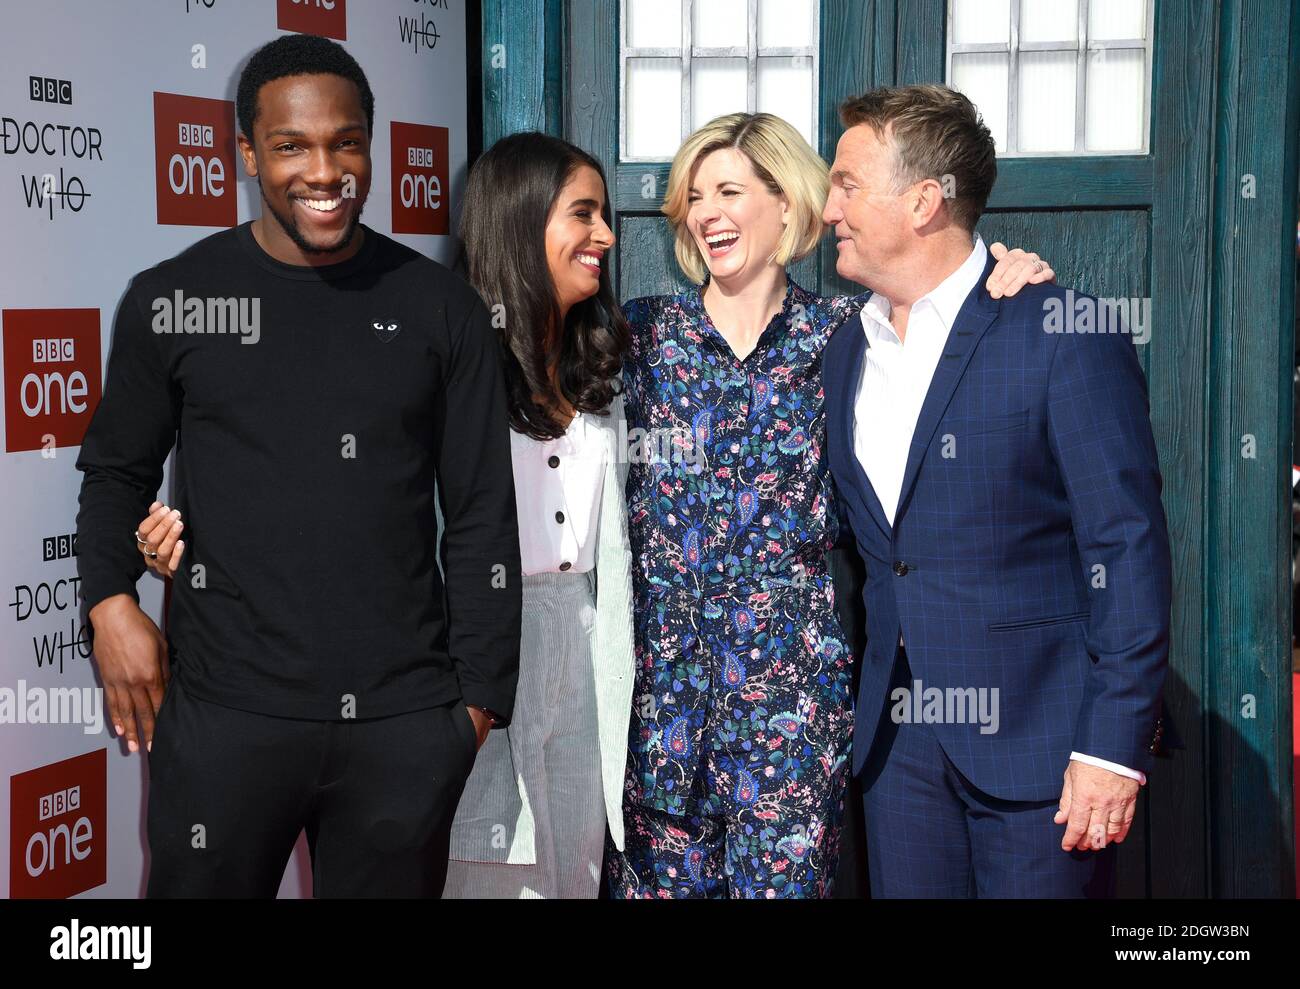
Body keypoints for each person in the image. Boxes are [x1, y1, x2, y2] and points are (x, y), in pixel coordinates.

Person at [136, 132, 639, 900]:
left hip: (578, 682)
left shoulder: (604, 372)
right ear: (521, 219)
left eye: (604, 213)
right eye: (584, 213)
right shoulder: (432, 352)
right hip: (449, 682)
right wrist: (464, 719)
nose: (606, 233)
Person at [77, 34, 521, 898]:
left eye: (346, 142)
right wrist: (109, 601)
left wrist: (472, 711)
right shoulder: (173, 300)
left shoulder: (443, 310)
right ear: (246, 152)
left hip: (403, 727)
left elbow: (478, 514)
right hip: (222, 720)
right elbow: (115, 472)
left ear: (370, 143)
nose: (325, 171)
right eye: (291, 146)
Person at [606, 111, 1053, 898]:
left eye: (730, 191)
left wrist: (1011, 275)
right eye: (694, 195)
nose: (707, 212)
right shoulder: (640, 335)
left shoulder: (849, 336)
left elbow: (954, 314)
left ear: (789, 204)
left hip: (793, 714)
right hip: (659, 714)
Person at [822, 84, 1171, 898]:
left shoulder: (1059, 331)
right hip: (898, 753)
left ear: (922, 201)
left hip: (1044, 755)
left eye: (846, 183)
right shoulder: (844, 348)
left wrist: (1113, 748)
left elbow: (1127, 546)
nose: (828, 204)